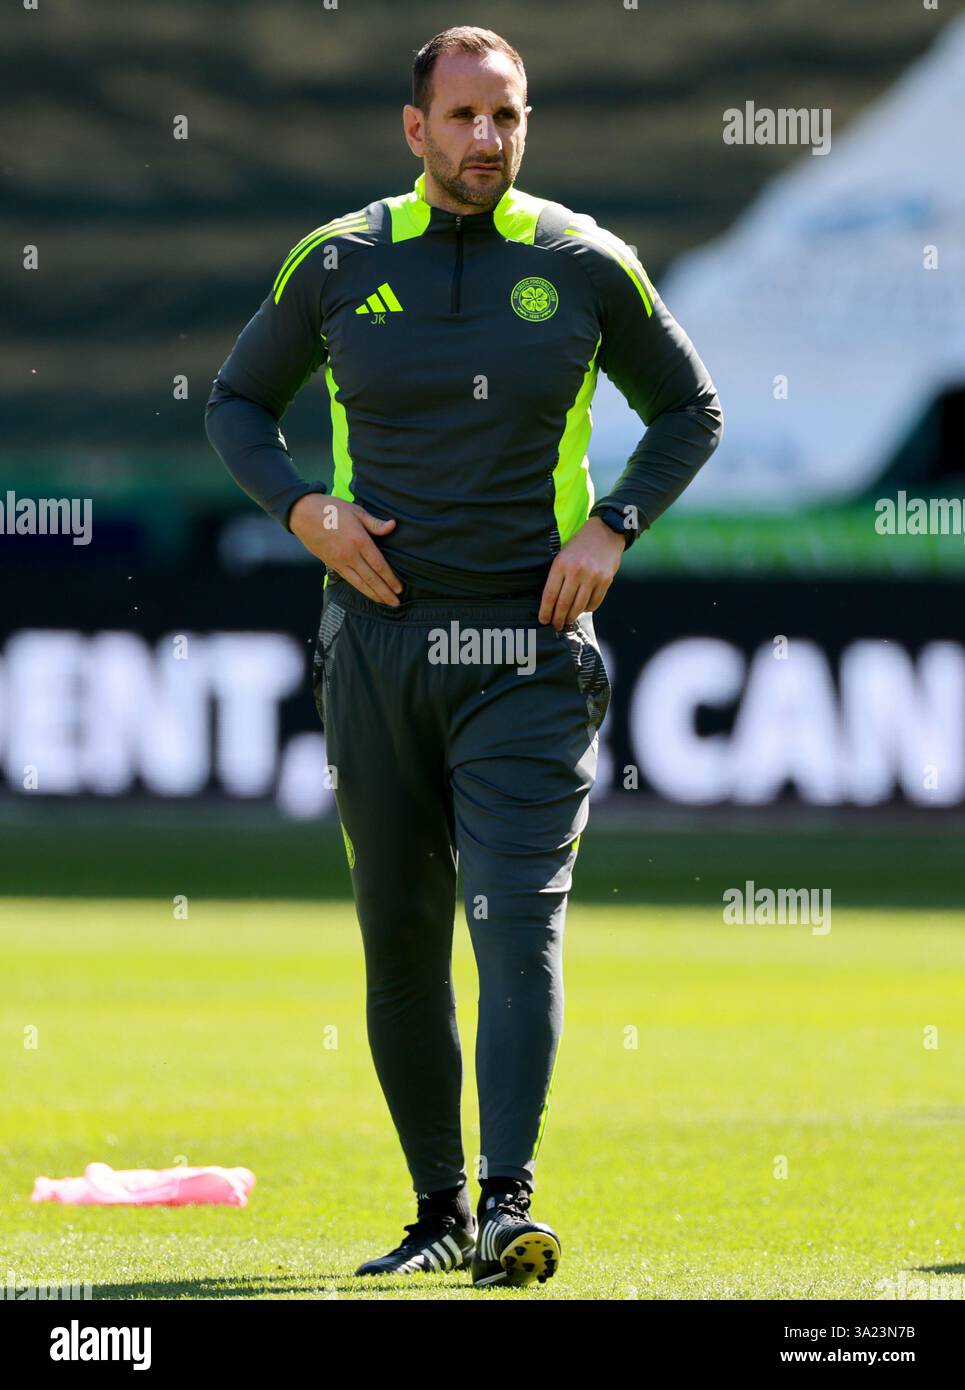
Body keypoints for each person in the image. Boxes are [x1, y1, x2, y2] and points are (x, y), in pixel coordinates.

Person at [205, 24, 722, 1289]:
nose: (488, 139)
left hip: (531, 655)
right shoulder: (334, 262)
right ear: (414, 127)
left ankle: (508, 1203)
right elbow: (234, 403)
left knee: (512, 926)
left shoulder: (585, 264)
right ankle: (436, 1211)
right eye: (465, 116)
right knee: (398, 936)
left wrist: (614, 524)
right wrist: (301, 511)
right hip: (375, 646)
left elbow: (689, 410)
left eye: (509, 117)